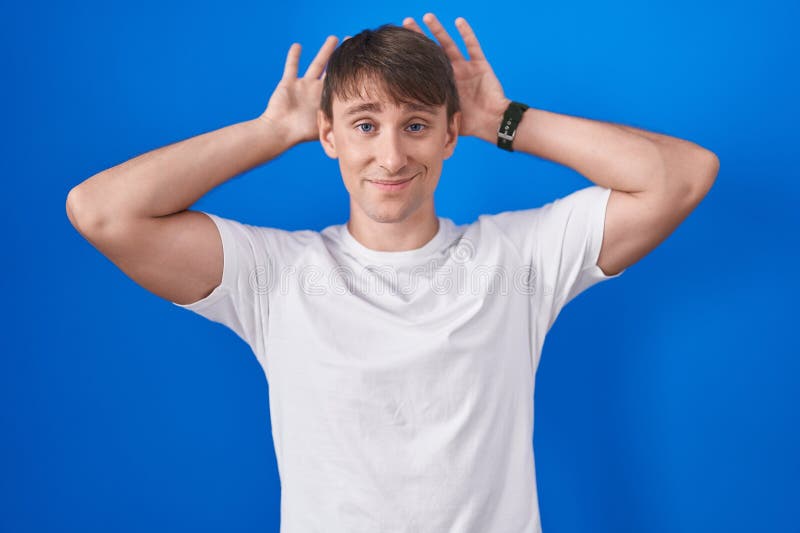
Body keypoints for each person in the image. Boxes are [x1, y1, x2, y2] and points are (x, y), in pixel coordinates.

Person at [65, 12, 719, 533]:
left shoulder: (519, 258)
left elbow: (683, 177)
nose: (390, 153)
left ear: (447, 134)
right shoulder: (275, 274)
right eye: (365, 124)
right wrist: (273, 131)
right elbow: (101, 212)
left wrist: (502, 119)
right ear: (330, 137)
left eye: (414, 124)